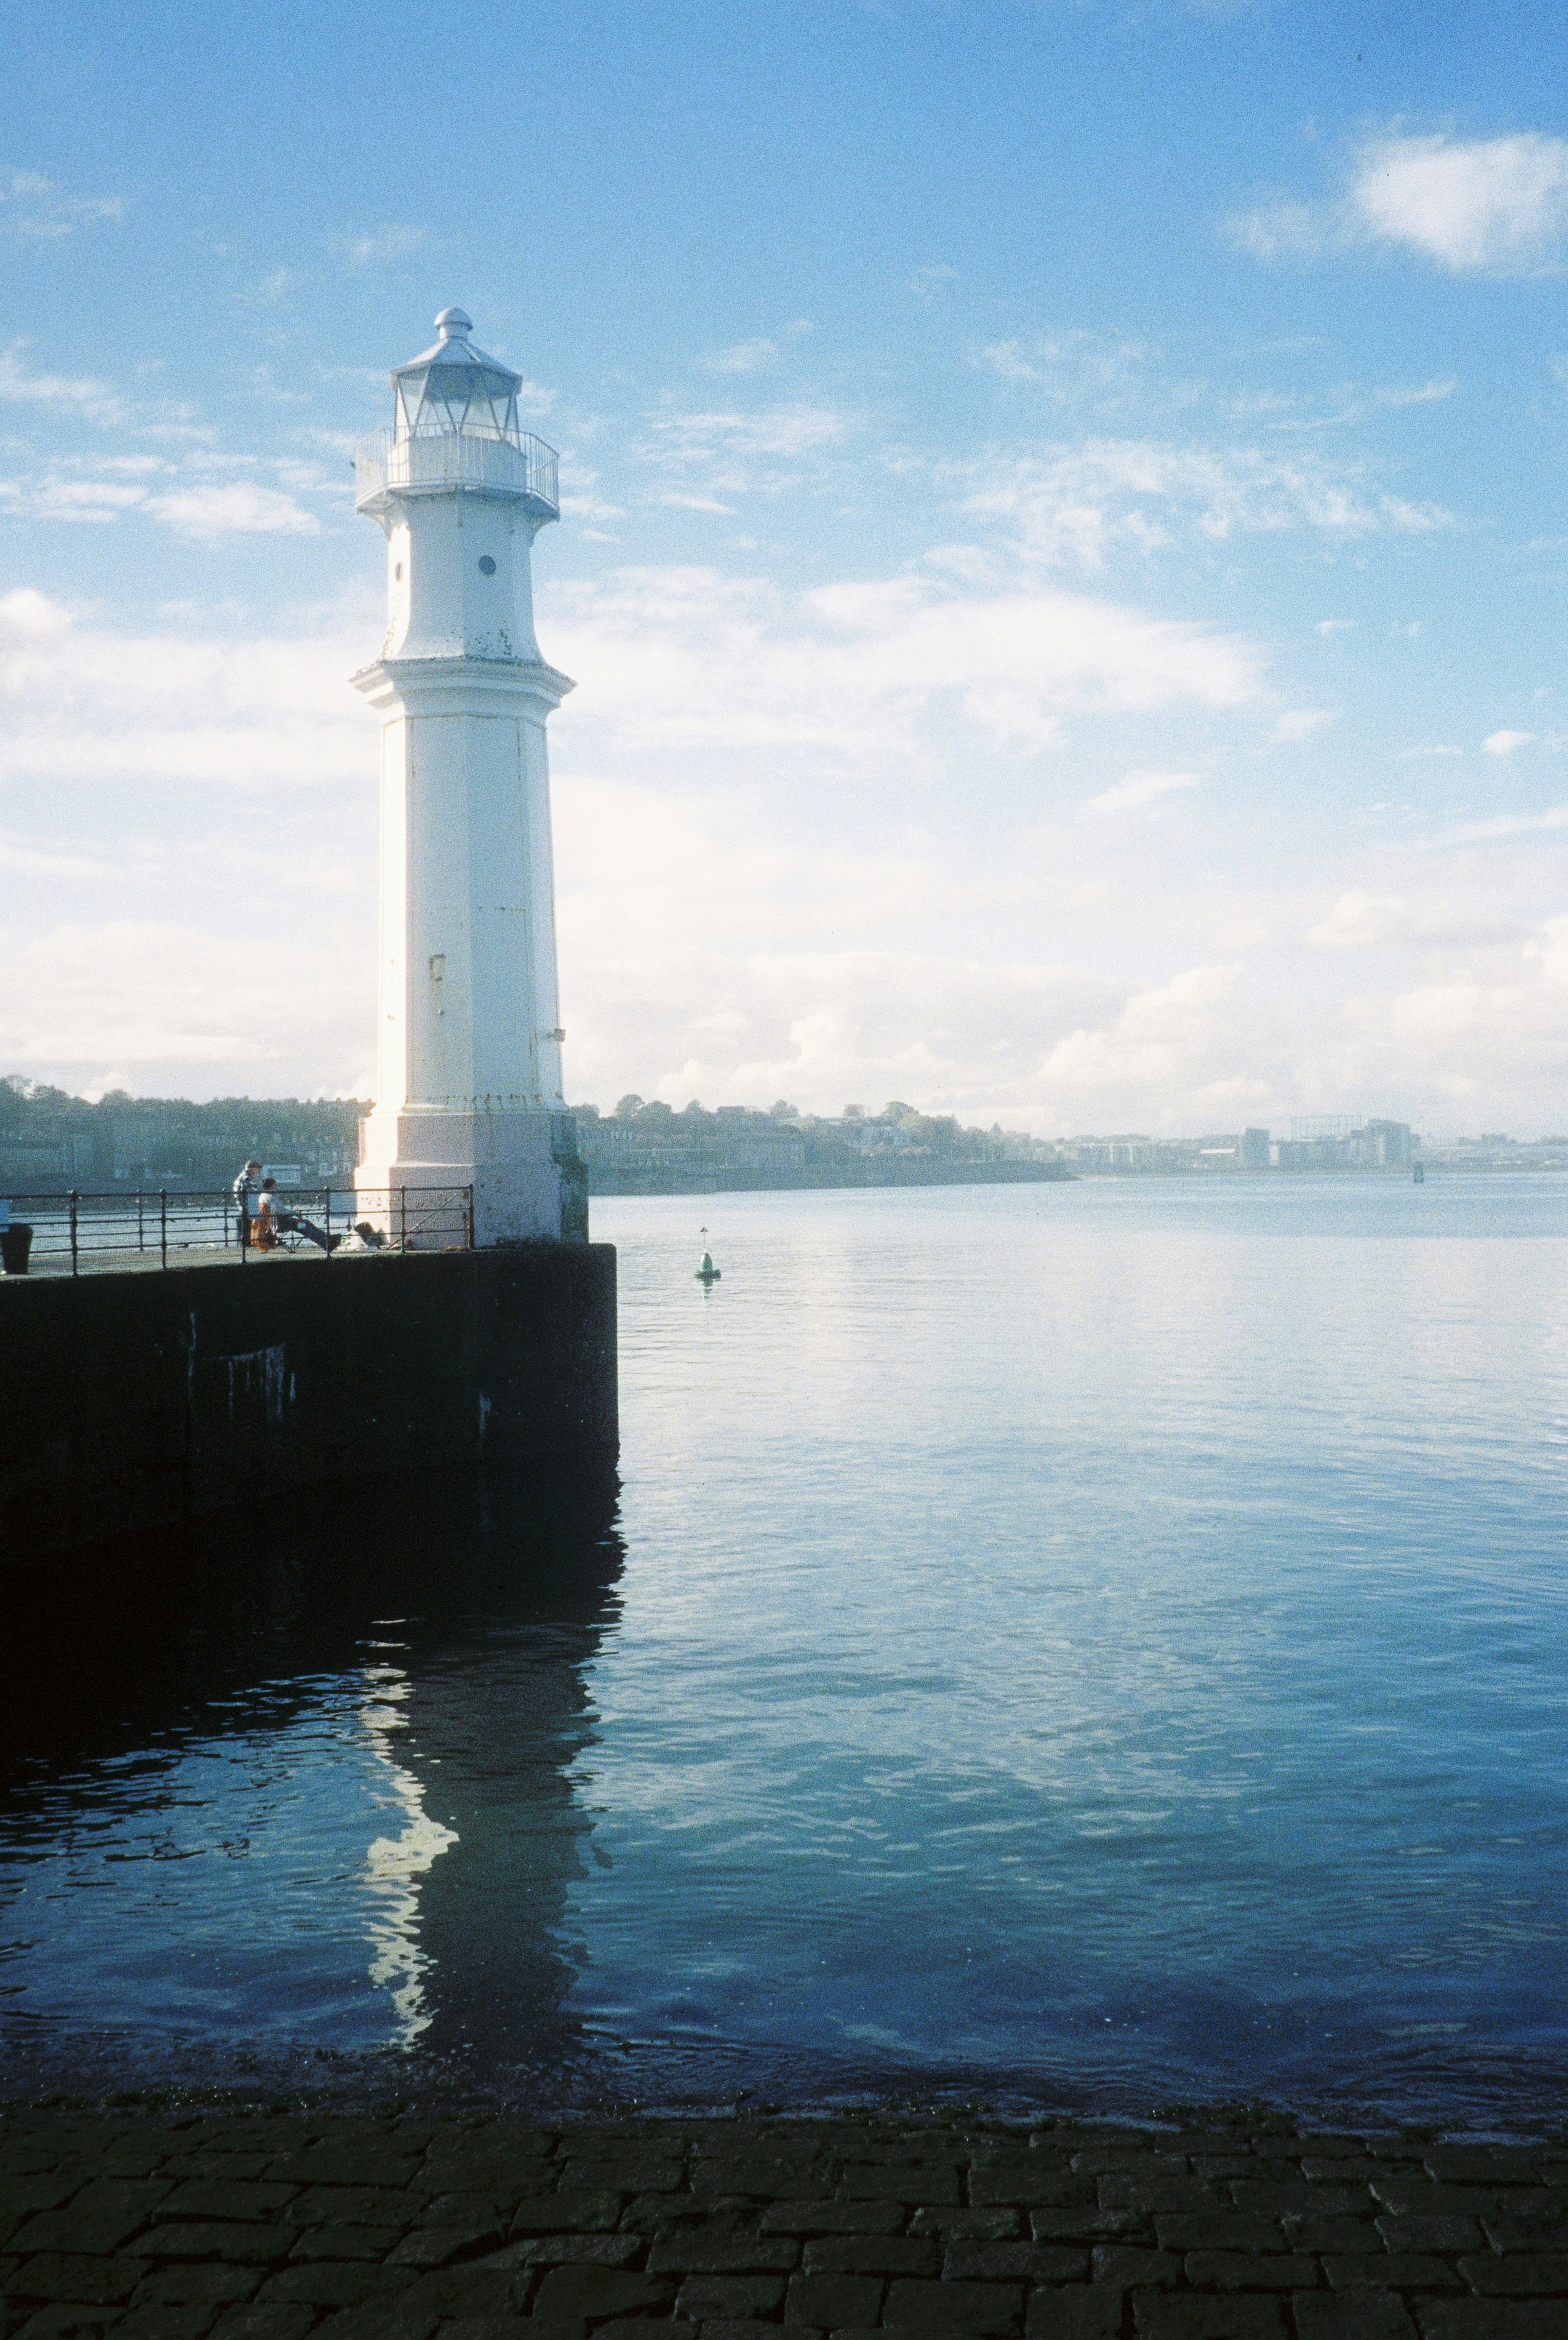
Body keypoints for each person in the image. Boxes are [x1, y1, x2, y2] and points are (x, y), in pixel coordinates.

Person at [255, 1176, 342, 1255]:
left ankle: (327, 1240)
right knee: (304, 1226)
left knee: (306, 1223)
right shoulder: (269, 1197)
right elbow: (281, 1212)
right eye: (275, 1185)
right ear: (271, 1187)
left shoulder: (264, 1196)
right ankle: (326, 1243)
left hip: (276, 1222)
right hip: (278, 1224)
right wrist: (297, 1213)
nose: (277, 1187)